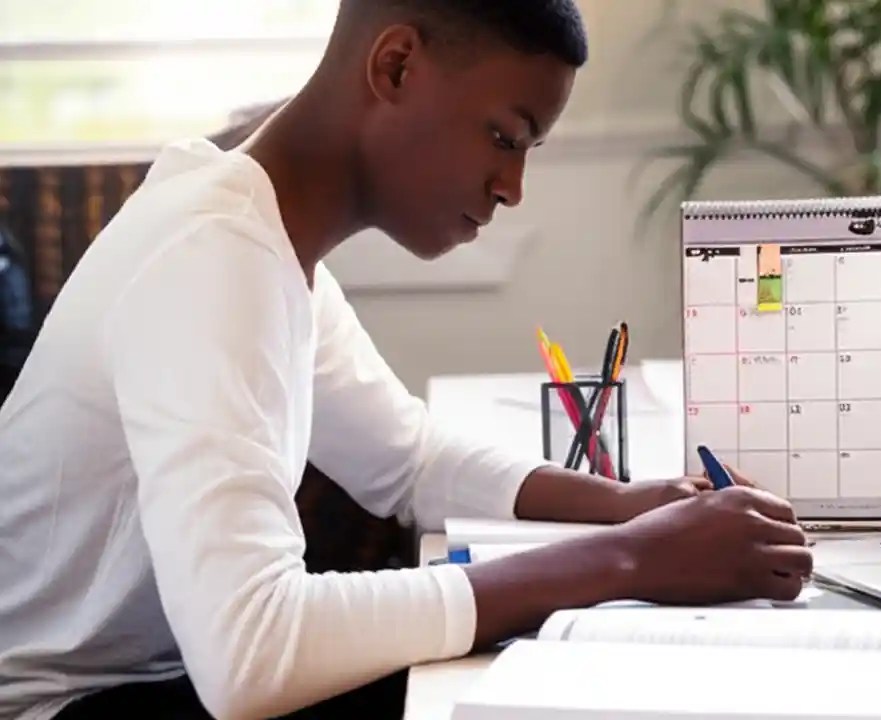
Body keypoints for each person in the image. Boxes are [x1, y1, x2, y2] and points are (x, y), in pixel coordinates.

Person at [0, 1, 812, 719]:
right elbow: (250, 654)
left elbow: (411, 461)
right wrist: (632, 558)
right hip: (59, 705)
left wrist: (630, 505)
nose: (512, 186)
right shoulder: (210, 257)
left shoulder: (264, 240)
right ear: (395, 67)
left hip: (152, 676)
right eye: (505, 136)